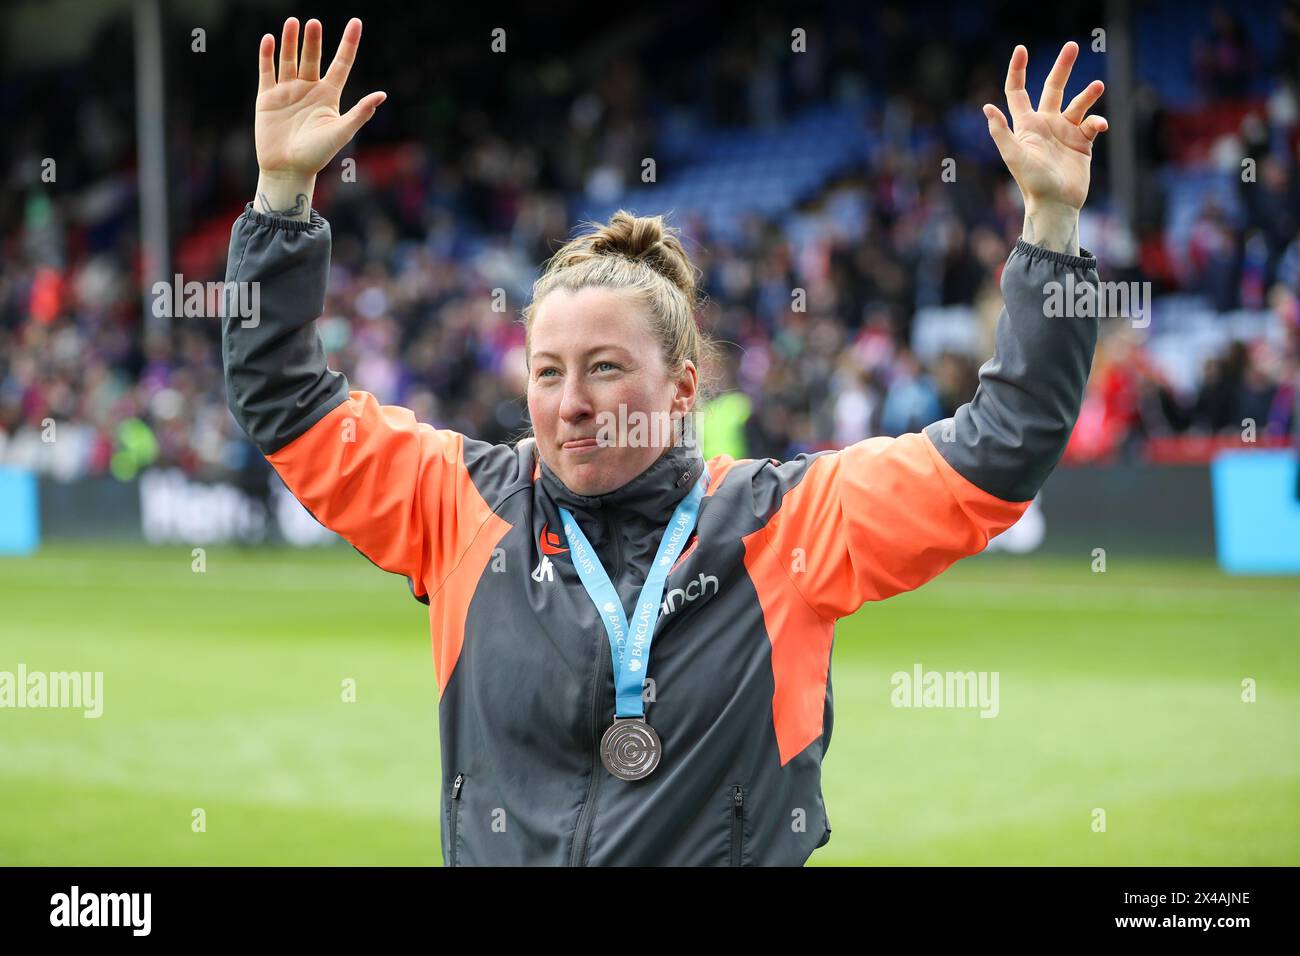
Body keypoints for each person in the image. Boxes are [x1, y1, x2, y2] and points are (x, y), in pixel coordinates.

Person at [222, 17, 1108, 865]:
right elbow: (282, 397)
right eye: (547, 372)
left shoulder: (783, 527)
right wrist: (282, 200)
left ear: (682, 388)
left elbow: (1002, 449)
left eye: (605, 368)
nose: (571, 403)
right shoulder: (463, 507)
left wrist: (1053, 229)